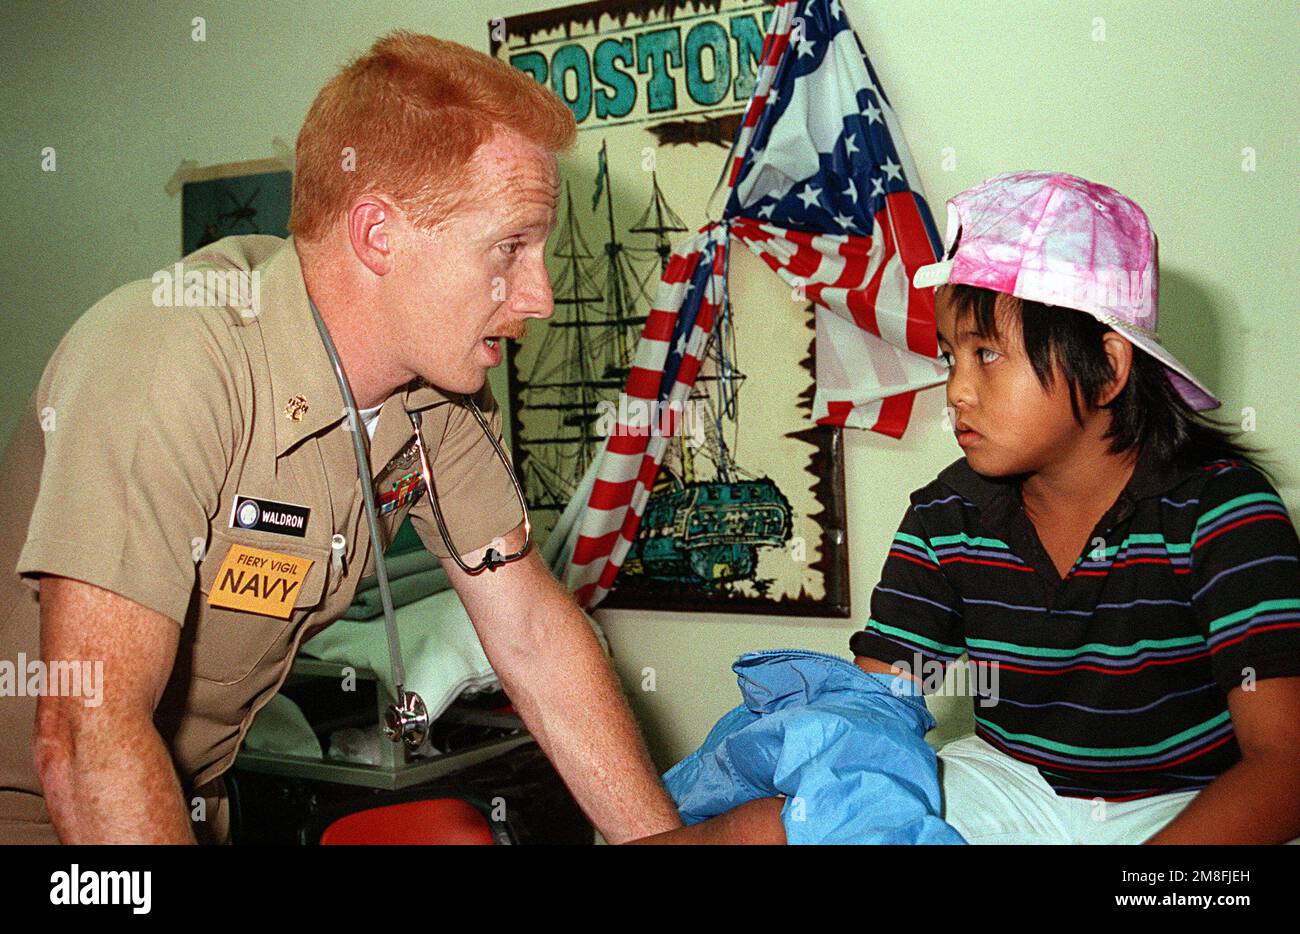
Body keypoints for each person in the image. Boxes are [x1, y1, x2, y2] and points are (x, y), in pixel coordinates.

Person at [0, 31, 682, 844]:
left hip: (187, 802)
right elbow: (84, 737)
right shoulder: (167, 357)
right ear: (378, 234)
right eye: (509, 247)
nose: (538, 296)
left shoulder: (440, 394)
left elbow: (532, 634)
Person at [639, 170, 1300, 844]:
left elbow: (1284, 767)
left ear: (1106, 368)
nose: (956, 390)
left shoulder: (1223, 510)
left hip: (1187, 807)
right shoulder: (947, 515)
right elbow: (878, 708)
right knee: (768, 830)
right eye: (951, 354)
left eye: (987, 353)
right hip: (1010, 785)